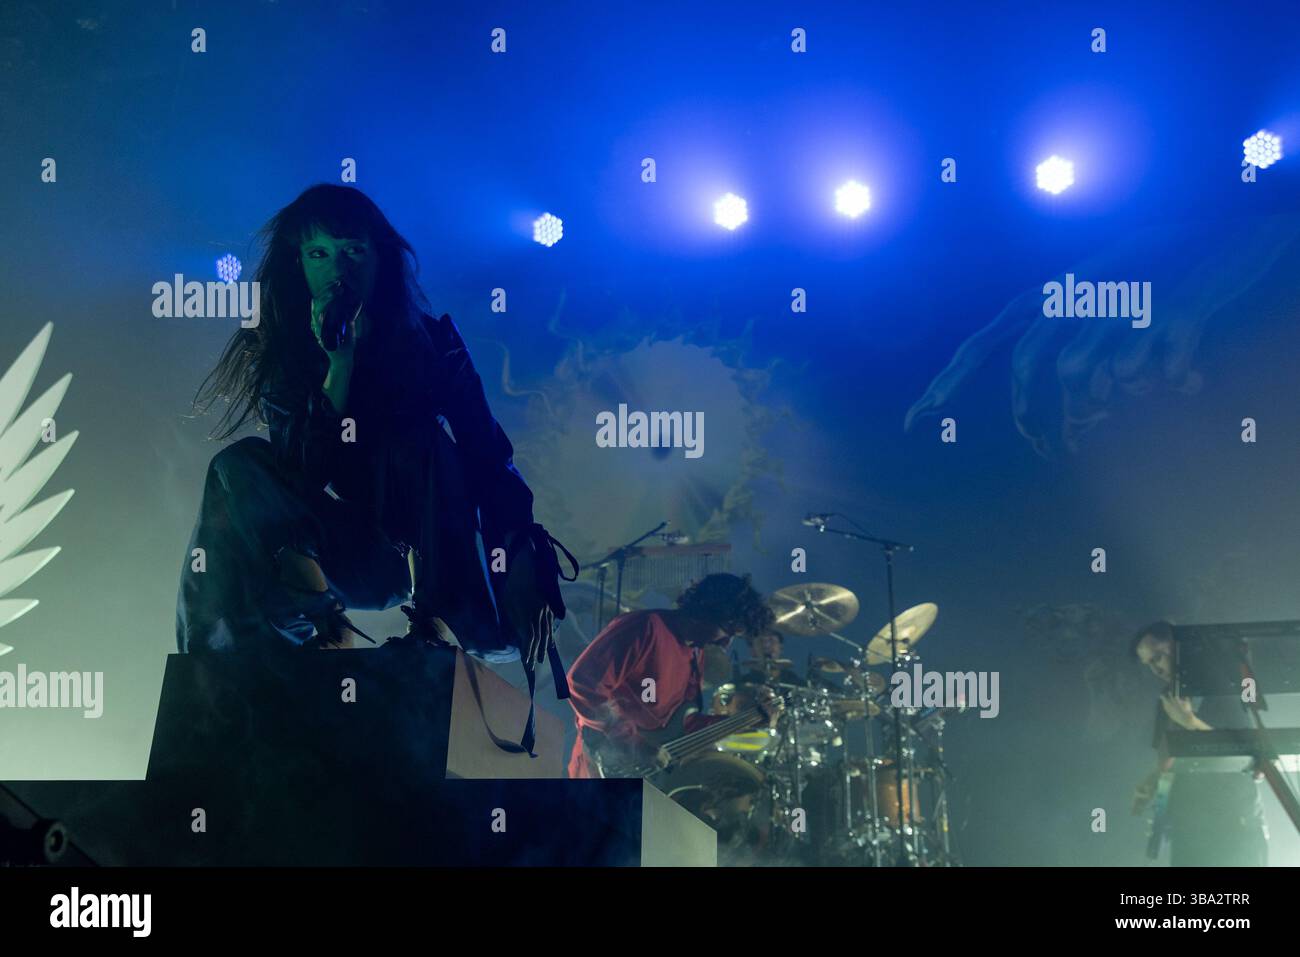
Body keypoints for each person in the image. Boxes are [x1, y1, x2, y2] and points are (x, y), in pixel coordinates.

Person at [176, 184, 562, 663]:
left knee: (417, 438)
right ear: (299, 263)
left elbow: (488, 455)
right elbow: (299, 476)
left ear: (381, 259)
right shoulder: (285, 352)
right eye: (319, 253)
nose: (338, 271)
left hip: (411, 553)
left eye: (353, 252)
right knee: (236, 466)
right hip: (326, 557)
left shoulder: (432, 344)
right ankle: (311, 630)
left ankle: (435, 622)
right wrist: (339, 364)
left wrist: (521, 549)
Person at [566, 573, 782, 778]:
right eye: (727, 631)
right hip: (601, 761)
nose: (726, 644)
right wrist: (632, 742)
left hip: (636, 768)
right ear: (706, 612)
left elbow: (681, 724)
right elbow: (584, 685)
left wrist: (748, 721)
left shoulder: (696, 654)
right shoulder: (646, 627)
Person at [1130, 621, 1268, 866]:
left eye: (1158, 657)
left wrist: (1189, 721)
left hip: (1234, 828)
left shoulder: (1218, 686)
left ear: (1177, 646)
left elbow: (1248, 754)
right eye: (1148, 664)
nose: (1155, 668)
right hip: (1187, 832)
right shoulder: (1166, 699)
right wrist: (1153, 780)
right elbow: (1171, 757)